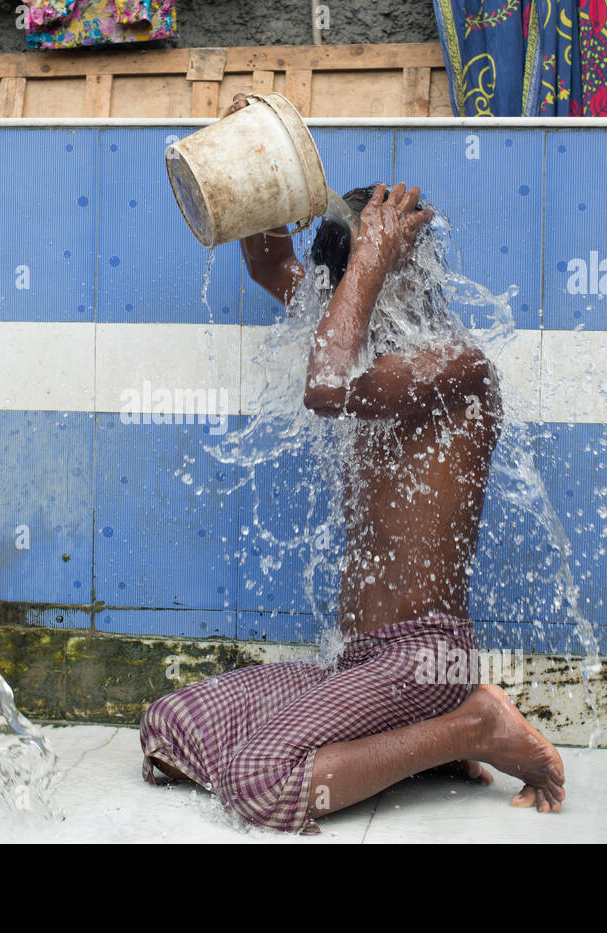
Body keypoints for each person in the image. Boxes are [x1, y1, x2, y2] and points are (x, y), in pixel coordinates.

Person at [139, 127, 565, 833]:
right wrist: (257, 162)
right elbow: (268, 260)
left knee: (258, 781)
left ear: (407, 267)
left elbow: (328, 385)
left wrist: (368, 252)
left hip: (424, 656)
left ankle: (473, 725)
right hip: (357, 660)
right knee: (166, 729)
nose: (351, 289)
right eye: (352, 275)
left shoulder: (454, 365)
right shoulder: (357, 340)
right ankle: (406, 750)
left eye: (378, 267)